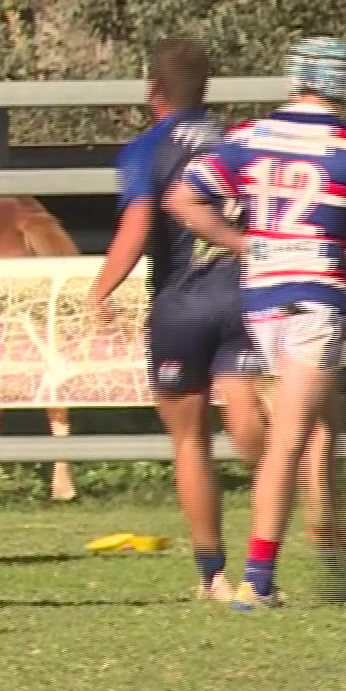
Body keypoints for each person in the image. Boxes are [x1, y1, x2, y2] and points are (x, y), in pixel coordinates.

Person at [167, 36, 346, 609]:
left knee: (323, 434)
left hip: (261, 301)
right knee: (291, 440)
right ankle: (258, 582)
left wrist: (243, 243)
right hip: (316, 303)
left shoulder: (247, 137)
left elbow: (183, 200)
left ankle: (342, 568)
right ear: (341, 81)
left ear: (294, 78)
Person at [88, 38, 267, 602]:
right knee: (250, 422)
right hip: (243, 299)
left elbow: (139, 226)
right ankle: (265, 560)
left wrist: (100, 290)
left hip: (180, 308)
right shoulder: (238, 141)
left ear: (154, 90)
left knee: (191, 443)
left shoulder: (147, 149)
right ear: (206, 88)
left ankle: (213, 574)